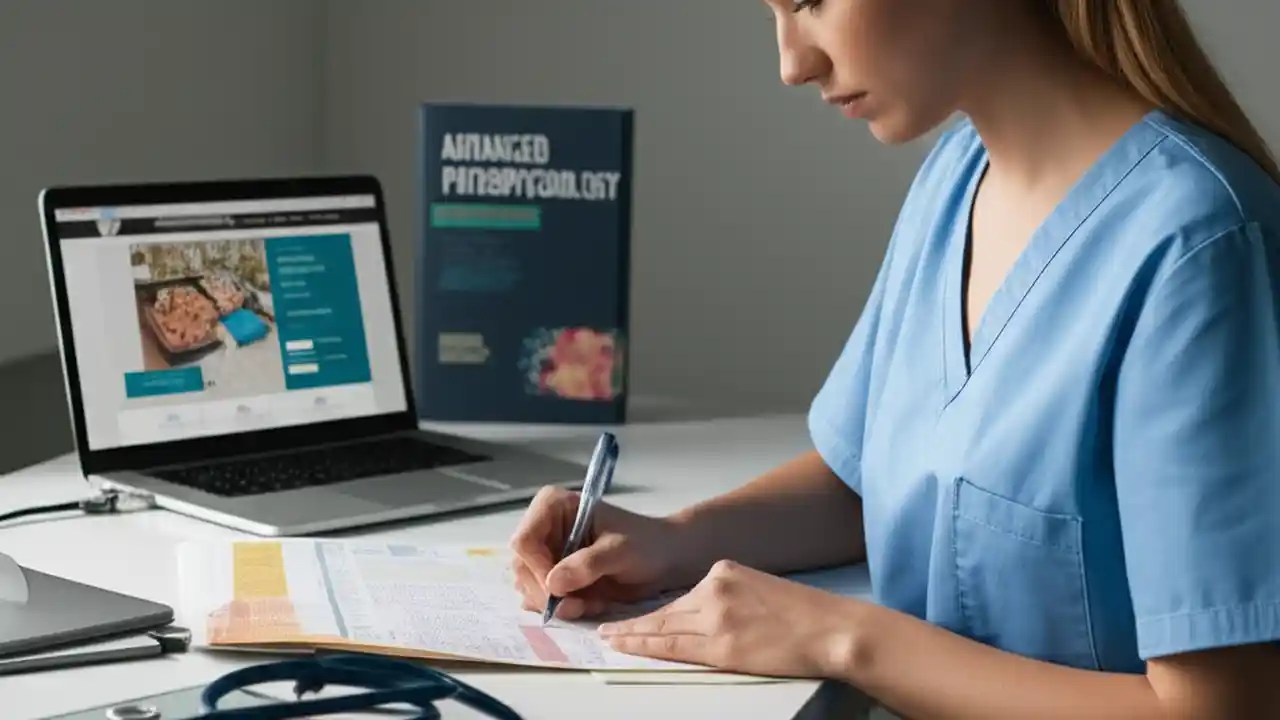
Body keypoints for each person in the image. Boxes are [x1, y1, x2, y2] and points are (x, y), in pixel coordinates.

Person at [509, 0, 1280, 716]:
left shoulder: (1199, 248)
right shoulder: (954, 178)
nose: (791, 63)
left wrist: (845, 641)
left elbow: (1218, 707)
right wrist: (674, 539)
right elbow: (875, 484)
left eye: (812, 0)